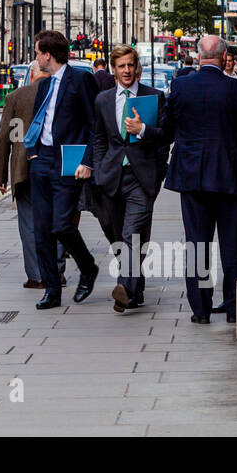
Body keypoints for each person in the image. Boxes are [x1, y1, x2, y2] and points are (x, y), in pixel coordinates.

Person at [157, 35, 237, 325]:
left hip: (191, 176)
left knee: (197, 244)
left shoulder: (181, 86)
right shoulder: (236, 89)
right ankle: (233, 307)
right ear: (222, 58)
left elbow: (167, 128)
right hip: (229, 176)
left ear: (197, 56)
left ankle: (201, 310)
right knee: (231, 246)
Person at [24, 30, 101, 310]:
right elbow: (38, 122)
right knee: (42, 230)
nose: (36, 58)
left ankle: (88, 267)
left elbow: (95, 125)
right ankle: (52, 290)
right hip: (41, 162)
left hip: (68, 162)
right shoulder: (44, 85)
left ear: (48, 55)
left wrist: (88, 161)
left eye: (37, 53)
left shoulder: (80, 80)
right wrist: (32, 154)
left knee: (62, 225)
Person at [89, 45, 169, 314]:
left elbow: (166, 136)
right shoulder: (103, 99)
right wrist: (99, 170)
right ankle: (135, 287)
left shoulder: (154, 97)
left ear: (137, 68)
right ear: (114, 69)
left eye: (130, 65)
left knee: (131, 233)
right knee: (116, 235)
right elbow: (99, 139)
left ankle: (123, 286)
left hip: (142, 177)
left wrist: (143, 130)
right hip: (111, 177)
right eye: (121, 66)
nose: (126, 70)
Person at [0, 59, 46, 289]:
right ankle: (57, 270)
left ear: (32, 74)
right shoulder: (62, 92)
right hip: (56, 167)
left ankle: (36, 275)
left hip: (23, 169)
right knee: (58, 219)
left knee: (28, 222)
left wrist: (1, 175)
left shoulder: (16, 96)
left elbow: (2, 138)